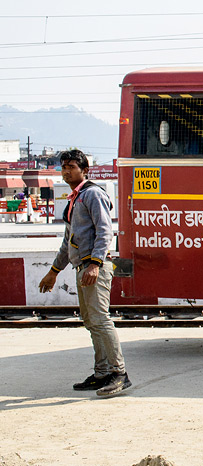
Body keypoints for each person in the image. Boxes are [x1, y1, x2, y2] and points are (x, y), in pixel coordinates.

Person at [38, 149, 132, 397]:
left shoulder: (92, 194)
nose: (66, 171)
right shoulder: (75, 199)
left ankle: (119, 374)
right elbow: (68, 241)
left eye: (71, 167)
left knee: (100, 320)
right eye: (64, 167)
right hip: (84, 268)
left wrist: (94, 264)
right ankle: (102, 373)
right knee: (91, 322)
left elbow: (105, 231)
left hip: (93, 269)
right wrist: (54, 271)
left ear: (85, 170)